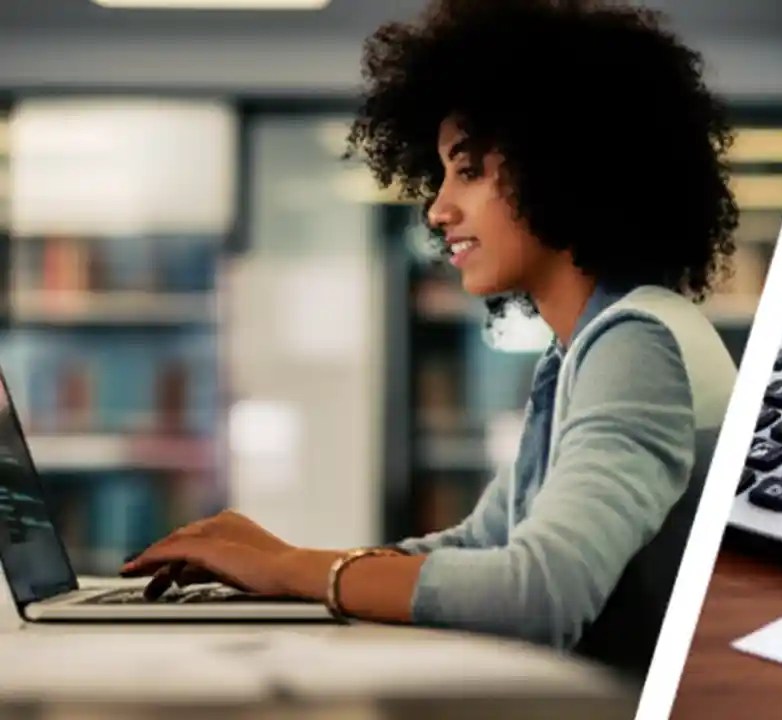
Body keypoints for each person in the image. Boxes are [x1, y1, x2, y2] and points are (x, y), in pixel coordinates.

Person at [120, 0, 740, 680]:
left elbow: (538, 594)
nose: (439, 209)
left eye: (467, 171)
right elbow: (482, 544)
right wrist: (280, 560)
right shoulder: (588, 347)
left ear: (562, 166)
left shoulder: (635, 345)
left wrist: (290, 569)